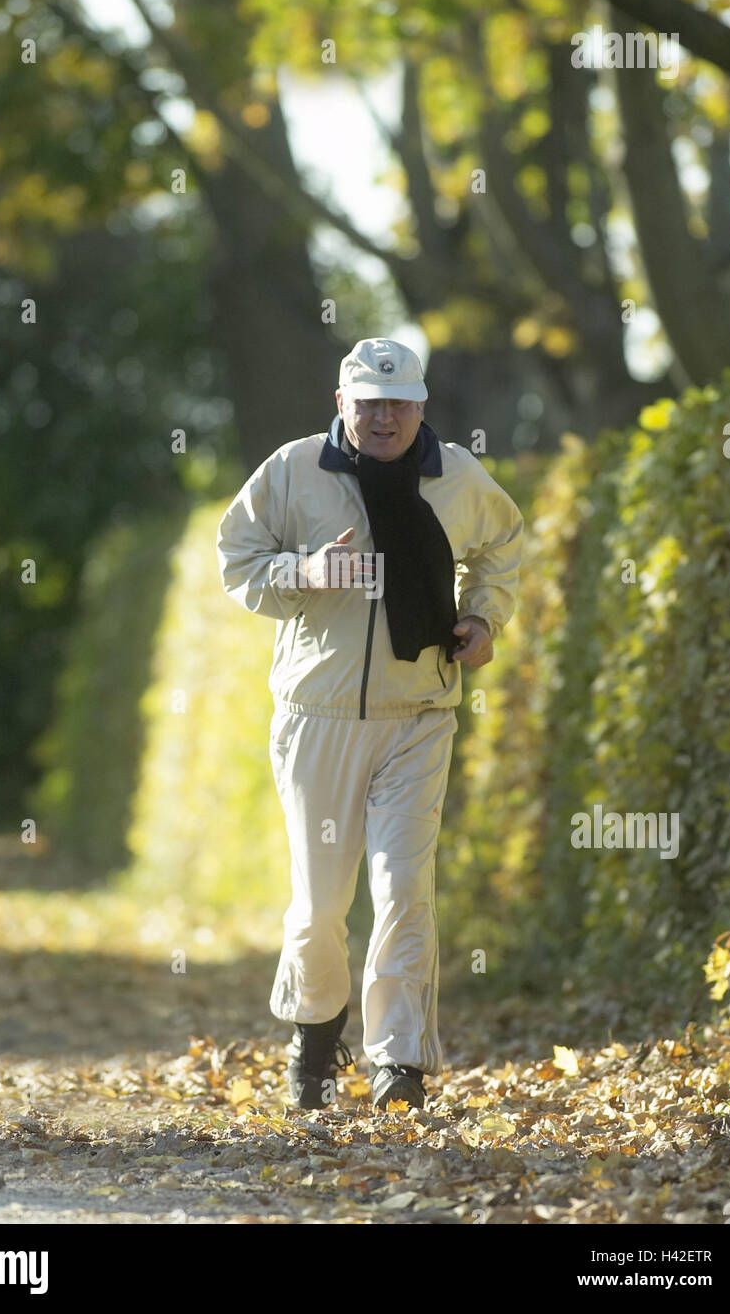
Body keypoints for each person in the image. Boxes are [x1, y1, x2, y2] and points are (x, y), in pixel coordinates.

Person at [216, 338, 523, 1111]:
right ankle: (314, 1041)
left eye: (399, 403)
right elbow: (237, 559)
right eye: (368, 403)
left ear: (420, 406)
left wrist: (483, 618)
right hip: (316, 717)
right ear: (340, 404)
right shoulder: (291, 471)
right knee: (319, 905)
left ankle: (399, 1066)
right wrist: (304, 573)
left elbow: (504, 549)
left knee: (402, 889)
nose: (384, 417)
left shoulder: (456, 475)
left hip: (418, 713)